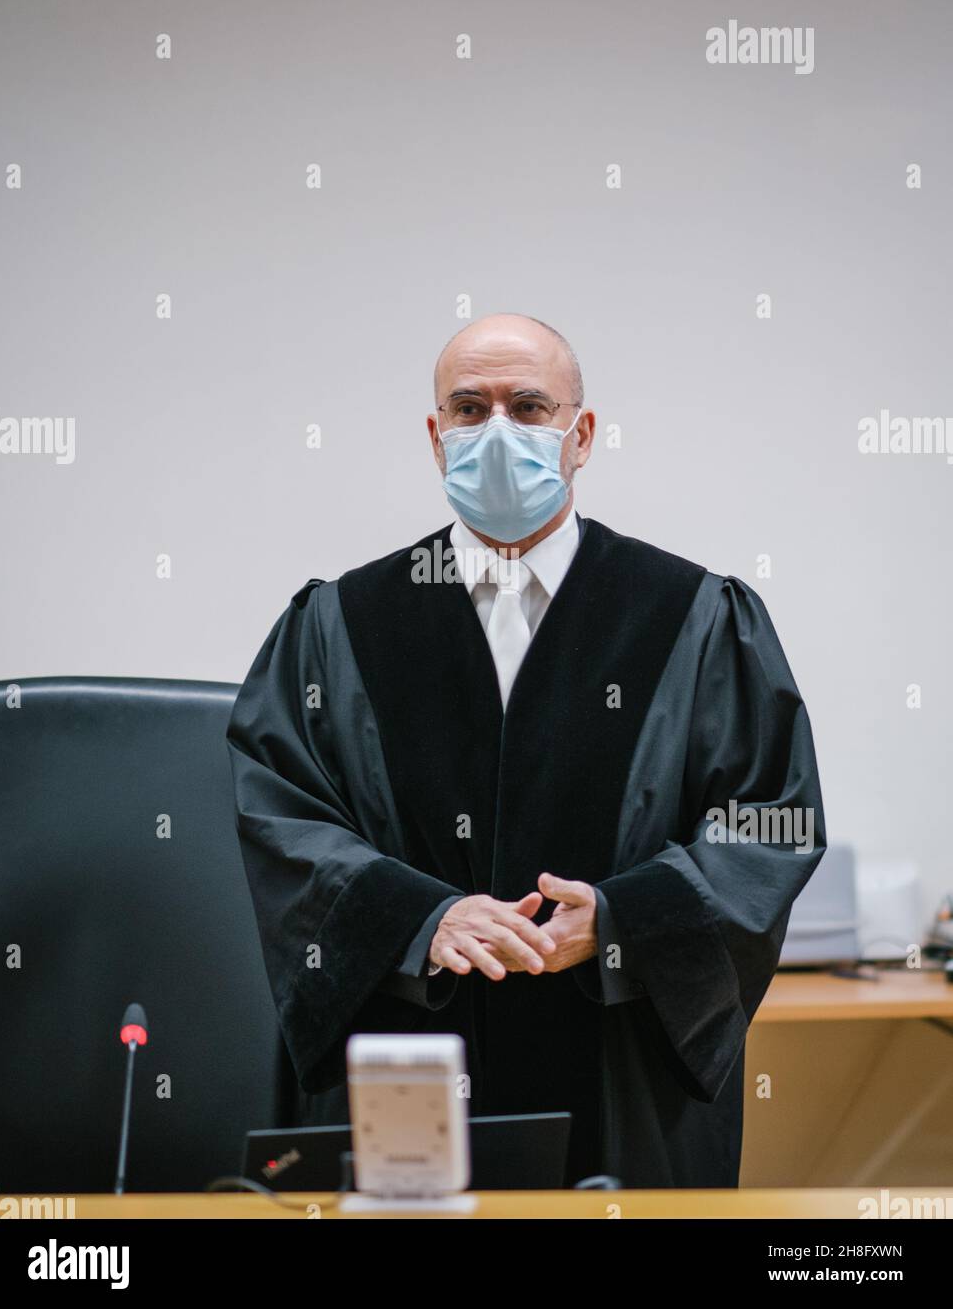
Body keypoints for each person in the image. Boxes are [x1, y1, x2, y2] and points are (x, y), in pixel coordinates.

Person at [225, 312, 826, 1187]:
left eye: (528, 405)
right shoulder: (340, 623)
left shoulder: (693, 616)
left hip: (619, 1066)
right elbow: (279, 809)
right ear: (436, 438)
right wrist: (423, 921)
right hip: (403, 1050)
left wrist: (626, 922)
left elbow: (768, 818)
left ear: (580, 435)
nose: (497, 431)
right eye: (469, 409)